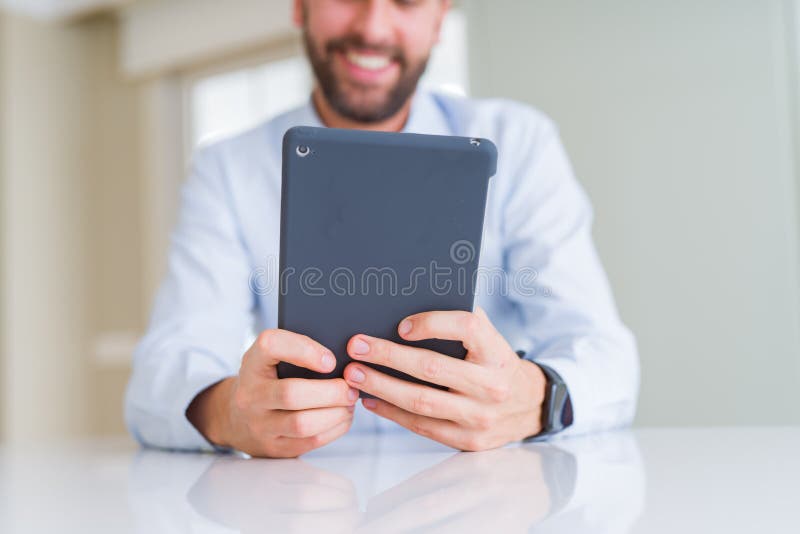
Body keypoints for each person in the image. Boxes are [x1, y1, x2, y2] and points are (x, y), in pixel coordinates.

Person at [125, 0, 639, 458]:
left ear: (440, 16)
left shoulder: (520, 142)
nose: (373, 26)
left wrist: (537, 401)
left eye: (407, 1)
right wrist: (228, 415)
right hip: (297, 497)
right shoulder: (228, 169)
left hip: (488, 493)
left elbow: (605, 354)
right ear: (299, 6)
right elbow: (159, 380)